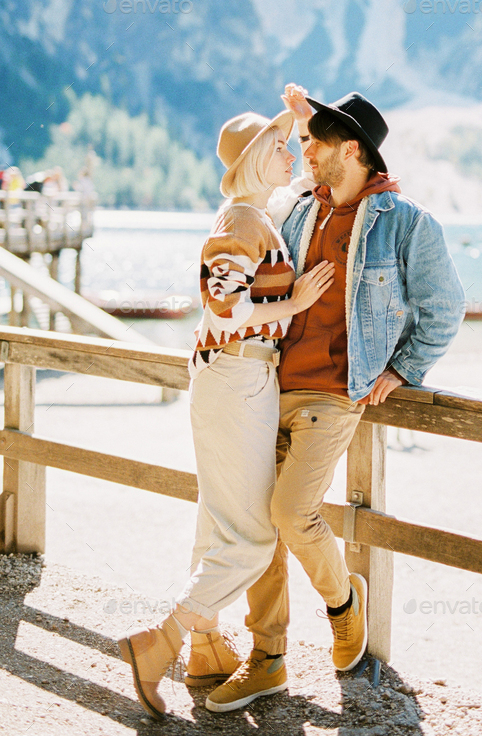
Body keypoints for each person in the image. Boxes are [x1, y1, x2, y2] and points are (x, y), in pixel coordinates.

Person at [204, 86, 466, 713]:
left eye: (314, 145)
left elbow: (445, 308)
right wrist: (304, 115)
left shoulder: (408, 223)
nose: (304, 155)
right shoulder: (298, 209)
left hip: (336, 393)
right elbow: (262, 198)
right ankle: (267, 659)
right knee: (254, 520)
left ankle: (344, 603)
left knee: (293, 511)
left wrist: (405, 367)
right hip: (268, 387)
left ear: (350, 150)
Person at [118, 108, 335, 720]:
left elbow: (318, 182)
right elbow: (221, 304)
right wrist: (293, 300)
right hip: (238, 371)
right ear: (253, 159)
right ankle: (159, 643)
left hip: (230, 374)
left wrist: (304, 114)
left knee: (220, 520)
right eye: (283, 147)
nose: (294, 157)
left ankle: (207, 647)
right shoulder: (242, 218)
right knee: (254, 537)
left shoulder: (254, 214)